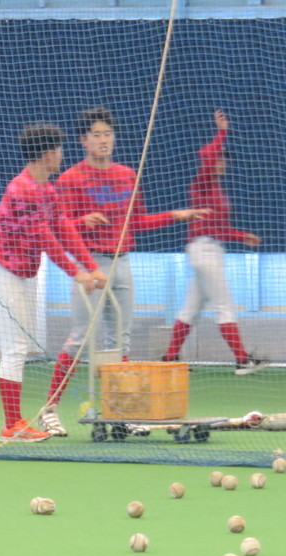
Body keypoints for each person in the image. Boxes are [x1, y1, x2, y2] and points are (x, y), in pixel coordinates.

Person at [40, 106, 209, 437]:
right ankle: (49, 410)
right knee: (80, 339)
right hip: (90, 264)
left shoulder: (126, 175)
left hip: (123, 264)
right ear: (83, 140)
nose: (103, 140)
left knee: (120, 340)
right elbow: (57, 227)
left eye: (108, 134)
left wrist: (176, 215)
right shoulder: (70, 179)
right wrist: (83, 221)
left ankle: (121, 412)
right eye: (96, 135)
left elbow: (137, 221)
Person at [0, 123, 105, 443]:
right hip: (1, 273)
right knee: (15, 347)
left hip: (17, 274)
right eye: (58, 149)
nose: (62, 155)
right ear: (47, 154)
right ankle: (13, 425)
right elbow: (44, 238)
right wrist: (77, 273)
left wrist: (92, 267)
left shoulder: (46, 189)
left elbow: (62, 227)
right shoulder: (22, 189)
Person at [162, 109, 269, 376]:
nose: (222, 163)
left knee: (191, 308)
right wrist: (222, 131)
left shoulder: (217, 191)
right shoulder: (204, 182)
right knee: (224, 306)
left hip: (209, 250)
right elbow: (208, 157)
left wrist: (242, 236)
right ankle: (242, 361)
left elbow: (218, 228)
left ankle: (170, 358)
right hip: (205, 251)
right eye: (220, 158)